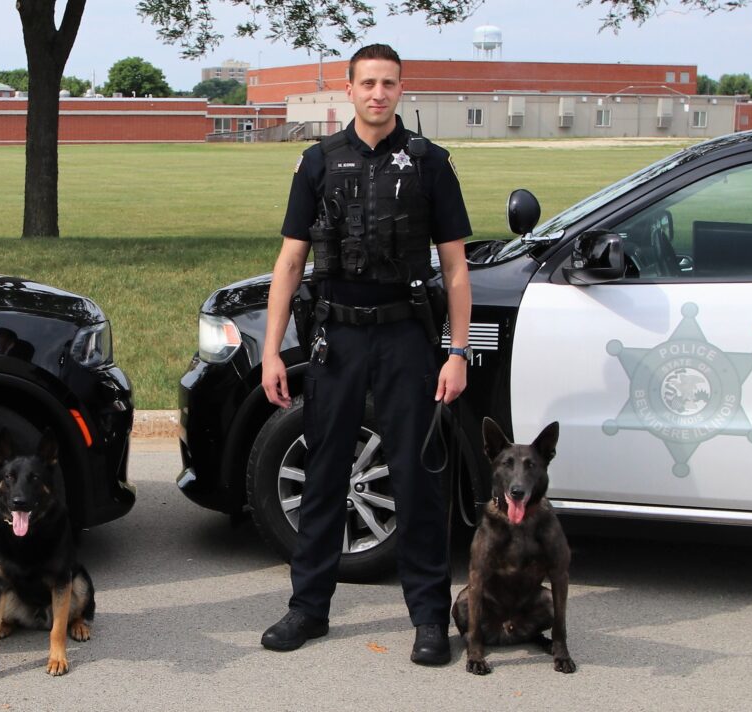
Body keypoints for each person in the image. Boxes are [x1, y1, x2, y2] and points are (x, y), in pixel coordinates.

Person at [255, 43, 475, 666]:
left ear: (401, 91)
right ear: (347, 91)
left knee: (416, 477)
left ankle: (431, 619)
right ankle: (308, 609)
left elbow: (455, 269)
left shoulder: (430, 164)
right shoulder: (318, 163)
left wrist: (456, 352)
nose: (378, 93)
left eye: (389, 84)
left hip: (407, 337)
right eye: (368, 83)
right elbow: (290, 261)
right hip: (337, 337)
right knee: (325, 474)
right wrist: (272, 351)